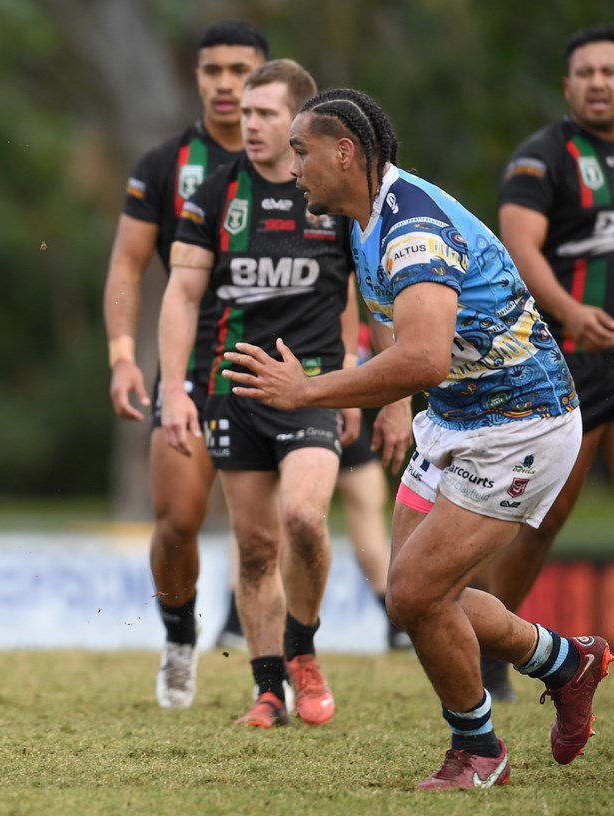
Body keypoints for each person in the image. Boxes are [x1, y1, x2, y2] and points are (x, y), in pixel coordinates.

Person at [222, 87, 613, 788]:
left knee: (416, 592)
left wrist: (308, 391)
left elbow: (426, 357)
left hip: (521, 425)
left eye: (302, 152)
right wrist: (397, 404)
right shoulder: (364, 216)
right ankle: (566, 662)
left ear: (346, 153)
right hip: (456, 418)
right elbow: (394, 324)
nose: (292, 167)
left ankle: (480, 750)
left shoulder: (413, 230)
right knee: (420, 595)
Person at [159, 60, 410, 728]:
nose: (251, 124)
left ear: (299, 119)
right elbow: (181, 295)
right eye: (246, 112)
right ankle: (268, 689)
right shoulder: (214, 194)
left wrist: (388, 395)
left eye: (266, 113)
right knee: (255, 547)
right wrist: (176, 389)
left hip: (314, 387)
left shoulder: (334, 194)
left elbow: (376, 299)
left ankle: (303, 648)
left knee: (303, 517)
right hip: (233, 390)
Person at [103, 19, 269, 708]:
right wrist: (122, 357)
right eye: (212, 70)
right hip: (195, 367)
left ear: (264, 76)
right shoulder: (164, 164)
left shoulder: (302, 159)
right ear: (196, 78)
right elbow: (127, 266)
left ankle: (286, 664)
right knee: (177, 521)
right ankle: (179, 639)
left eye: (240, 70)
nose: (226, 84)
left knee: (280, 529)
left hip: (285, 363)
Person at [478, 24, 614, 702]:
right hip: (570, 360)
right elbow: (518, 246)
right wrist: (570, 312)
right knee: (547, 513)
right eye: (586, 72)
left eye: (610, 70)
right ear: (568, 85)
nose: (598, 82)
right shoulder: (543, 157)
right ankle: (491, 645)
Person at [336, 323, 412, 651]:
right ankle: (237, 619)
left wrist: (397, 400)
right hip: (301, 382)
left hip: (331, 390)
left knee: (367, 490)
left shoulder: (368, 324)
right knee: (277, 503)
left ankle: (391, 616)